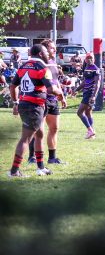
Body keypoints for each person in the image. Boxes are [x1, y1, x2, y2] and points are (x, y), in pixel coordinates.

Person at [8, 44, 64, 177]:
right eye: (46, 52)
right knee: (25, 139)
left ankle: (41, 167)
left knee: (39, 135)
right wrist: (60, 94)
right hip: (34, 106)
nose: (48, 54)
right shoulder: (42, 68)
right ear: (40, 54)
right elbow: (50, 89)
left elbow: (13, 86)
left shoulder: (23, 66)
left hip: (25, 104)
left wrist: (15, 102)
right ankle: (14, 171)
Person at [36, 39, 67, 165]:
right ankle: (33, 157)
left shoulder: (53, 62)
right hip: (41, 99)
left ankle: (52, 158)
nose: (54, 50)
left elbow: (56, 80)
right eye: (52, 48)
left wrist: (62, 96)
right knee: (39, 131)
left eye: (55, 48)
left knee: (54, 128)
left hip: (53, 99)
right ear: (44, 49)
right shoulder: (40, 63)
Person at [76, 53, 100, 139]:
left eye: (91, 58)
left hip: (90, 93)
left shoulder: (96, 69)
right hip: (86, 92)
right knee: (88, 112)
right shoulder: (86, 68)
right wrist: (76, 89)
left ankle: (90, 130)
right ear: (85, 59)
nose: (90, 59)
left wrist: (93, 96)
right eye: (88, 58)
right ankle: (92, 132)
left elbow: (97, 83)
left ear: (94, 59)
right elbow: (84, 81)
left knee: (79, 112)